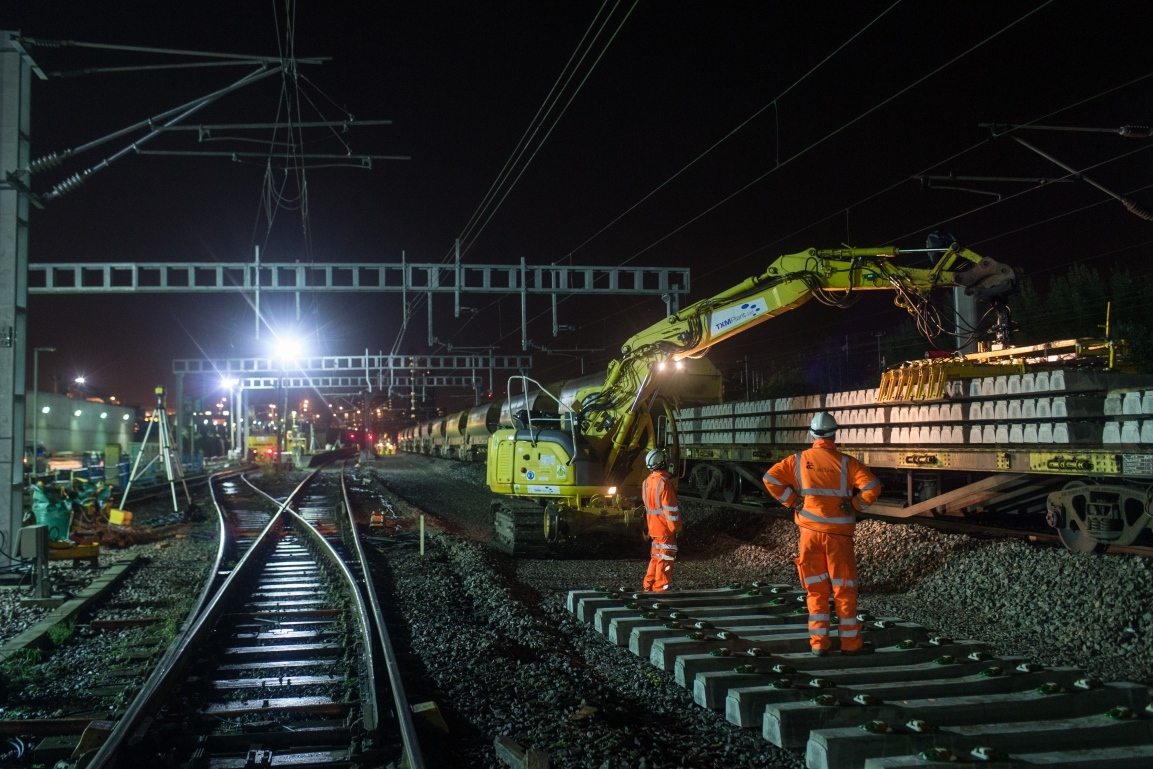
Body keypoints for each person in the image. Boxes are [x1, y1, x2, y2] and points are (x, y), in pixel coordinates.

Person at [762, 412, 881, 655]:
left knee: (816, 590)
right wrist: (856, 505)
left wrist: (793, 501)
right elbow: (872, 487)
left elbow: (770, 479)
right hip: (839, 537)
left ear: (812, 433)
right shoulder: (847, 463)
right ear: (835, 434)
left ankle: (818, 644)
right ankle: (851, 645)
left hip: (809, 534)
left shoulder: (798, 460)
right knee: (844, 590)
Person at [641, 448, 681, 592]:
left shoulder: (646, 482)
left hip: (654, 528)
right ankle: (659, 591)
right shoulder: (664, 483)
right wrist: (676, 528)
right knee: (665, 560)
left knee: (656, 558)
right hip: (665, 529)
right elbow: (670, 511)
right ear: (661, 462)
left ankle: (648, 587)